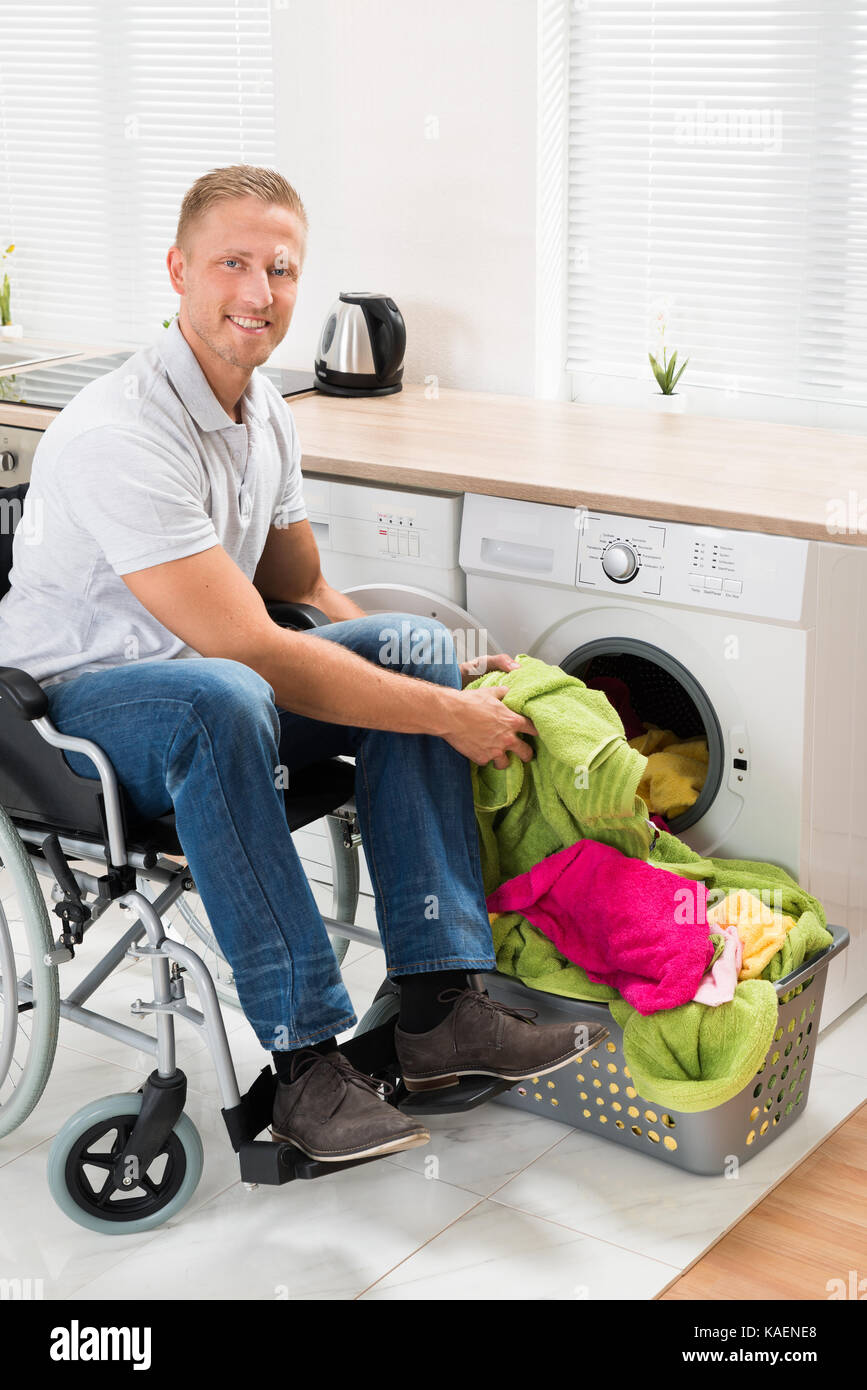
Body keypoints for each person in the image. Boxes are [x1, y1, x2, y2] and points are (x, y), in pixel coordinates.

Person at [0, 164, 606, 1165]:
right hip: (66, 719)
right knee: (227, 694)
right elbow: (249, 646)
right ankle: (304, 1070)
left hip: (216, 690)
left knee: (407, 652)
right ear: (179, 271)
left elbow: (310, 595)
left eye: (281, 268)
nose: (259, 292)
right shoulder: (123, 433)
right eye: (233, 263)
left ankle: (438, 1008)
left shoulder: (264, 413)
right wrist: (441, 717)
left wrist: (438, 674)